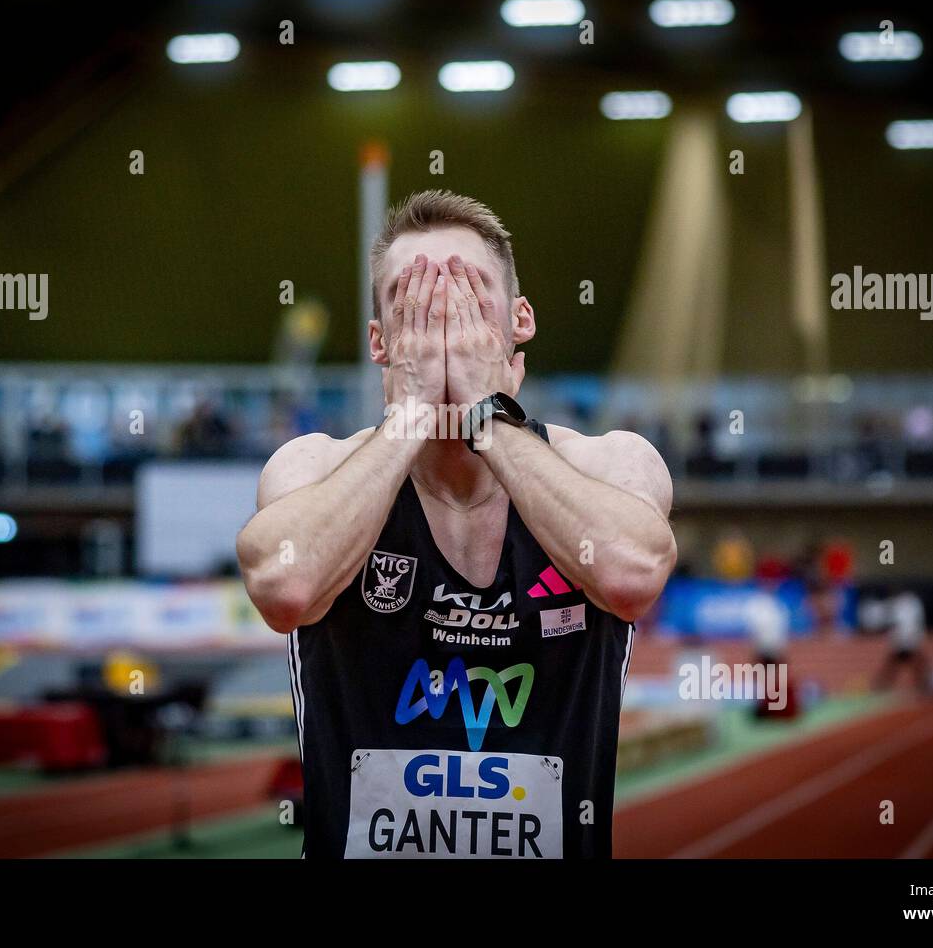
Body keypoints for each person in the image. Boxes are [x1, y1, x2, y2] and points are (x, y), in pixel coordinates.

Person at [237, 190, 676, 858]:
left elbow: (633, 574)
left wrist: (484, 411)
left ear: (518, 321)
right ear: (380, 342)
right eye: (416, 303)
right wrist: (411, 416)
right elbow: (285, 587)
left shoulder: (609, 460)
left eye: (468, 298)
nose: (443, 324)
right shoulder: (314, 465)